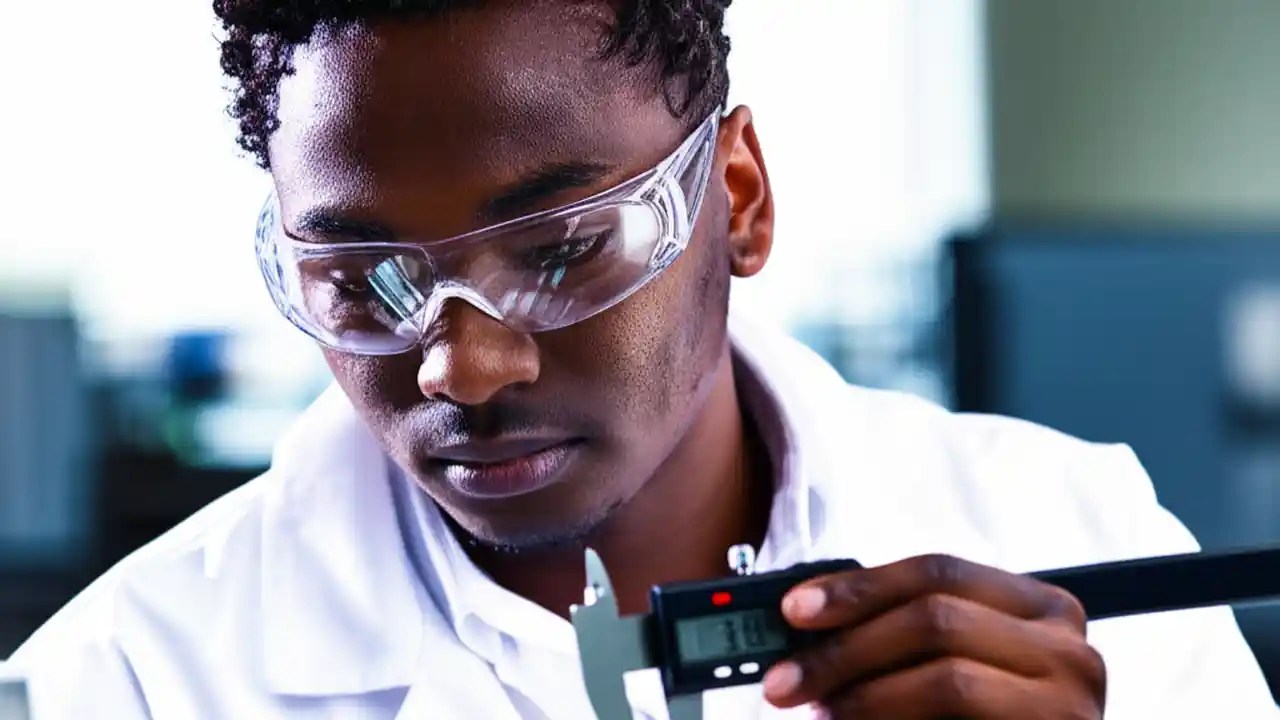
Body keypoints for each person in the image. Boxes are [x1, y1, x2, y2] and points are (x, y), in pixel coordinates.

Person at [10, 1, 1278, 718]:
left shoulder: (1065, 531)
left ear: (737, 195)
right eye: (362, 281)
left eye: (561, 249)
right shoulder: (120, 682)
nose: (460, 367)